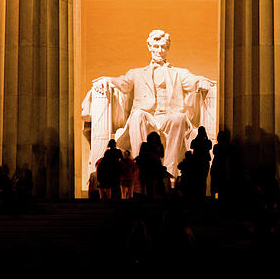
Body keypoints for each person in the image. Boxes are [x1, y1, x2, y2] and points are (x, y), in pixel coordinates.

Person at [91, 30, 213, 178]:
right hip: (148, 118)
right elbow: (122, 82)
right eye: (156, 46)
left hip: (168, 117)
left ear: (167, 48)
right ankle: (140, 167)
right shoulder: (136, 73)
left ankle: (170, 170)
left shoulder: (179, 73)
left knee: (180, 117)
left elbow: (193, 81)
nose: (159, 50)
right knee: (137, 115)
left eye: (163, 47)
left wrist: (201, 81)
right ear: (149, 46)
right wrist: (107, 80)